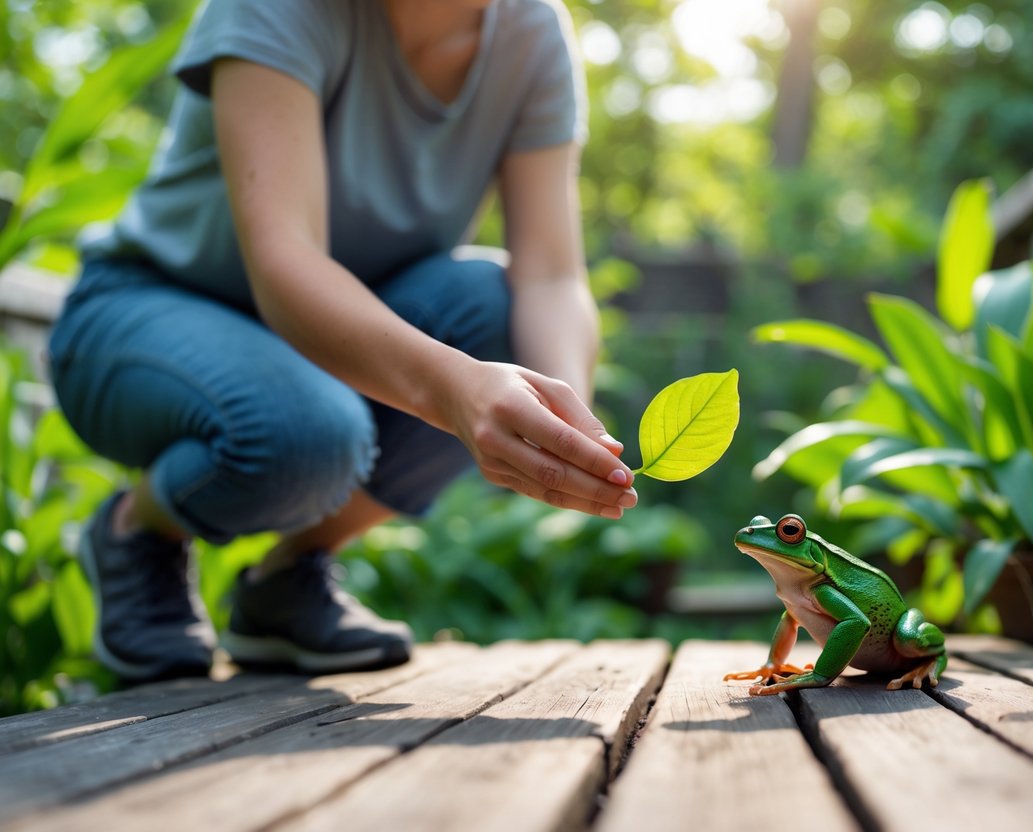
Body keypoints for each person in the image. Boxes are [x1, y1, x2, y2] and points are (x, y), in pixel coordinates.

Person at [47, 0, 637, 681]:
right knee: (307, 432)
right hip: (143, 314)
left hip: (338, 341)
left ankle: (287, 581)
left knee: (490, 309)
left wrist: (567, 425)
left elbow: (551, 275)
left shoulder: (531, 31)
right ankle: (137, 530)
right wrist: (453, 388)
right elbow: (284, 262)